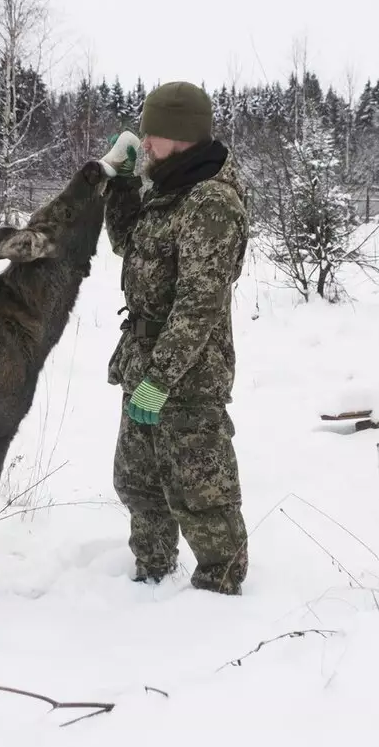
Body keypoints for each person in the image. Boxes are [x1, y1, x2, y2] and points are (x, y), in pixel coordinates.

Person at [97, 80, 250, 595]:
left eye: (152, 137)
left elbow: (199, 304)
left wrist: (160, 380)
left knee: (200, 492)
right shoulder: (169, 190)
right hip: (142, 363)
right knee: (138, 482)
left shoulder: (210, 202)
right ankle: (153, 574)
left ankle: (221, 591)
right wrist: (119, 185)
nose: (145, 147)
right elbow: (128, 245)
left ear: (180, 138)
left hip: (187, 375)